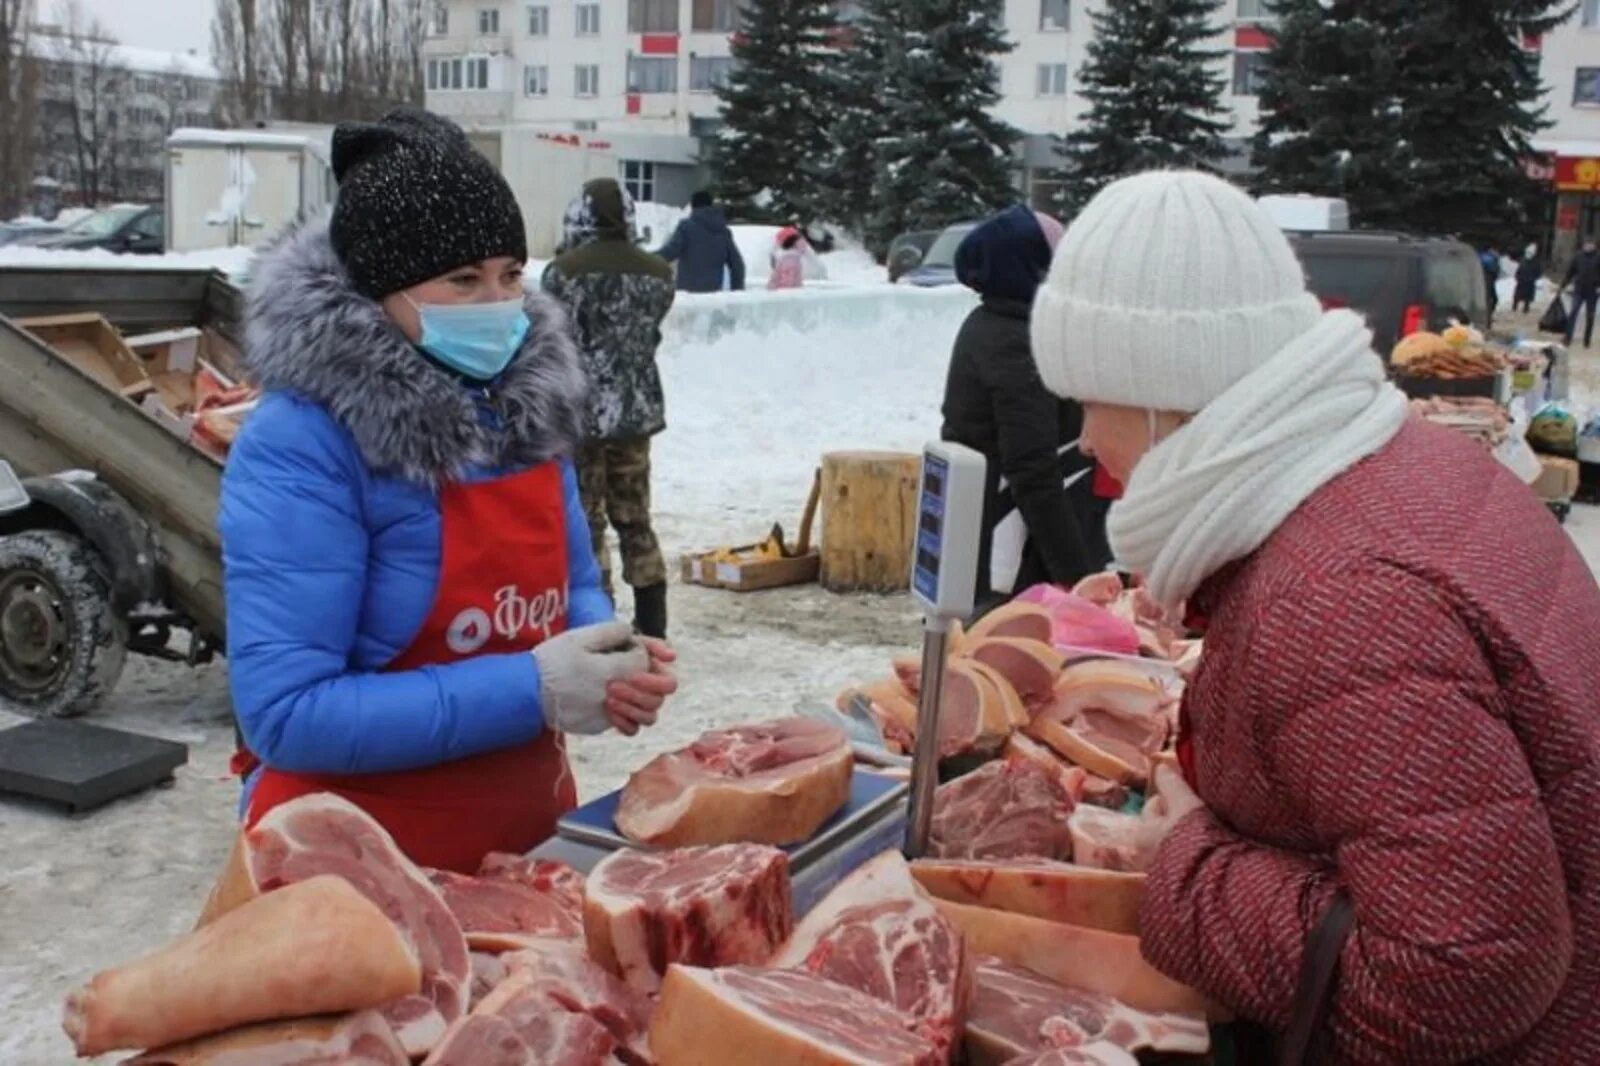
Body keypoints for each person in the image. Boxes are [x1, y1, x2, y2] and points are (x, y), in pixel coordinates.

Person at [1029, 170, 1598, 1061]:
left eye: (1087, 399)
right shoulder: (1390, 463)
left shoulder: (1337, 593)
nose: (1086, 439)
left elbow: (1459, 980)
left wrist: (1187, 860)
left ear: (1159, 392)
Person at [219, 109, 677, 874]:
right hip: (349, 861)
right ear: (380, 290)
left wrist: (606, 657)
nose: (499, 303)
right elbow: (287, 714)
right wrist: (534, 688)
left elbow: (578, 585)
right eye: (463, 279)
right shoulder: (303, 442)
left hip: (521, 841)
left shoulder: (528, 409)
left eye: (510, 275)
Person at [941, 204, 1110, 613]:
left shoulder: (1004, 323)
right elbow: (1031, 466)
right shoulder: (1013, 341)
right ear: (1030, 266)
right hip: (1011, 545)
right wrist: (1076, 574)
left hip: (1012, 537)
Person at [542, 178, 675, 638]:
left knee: (588, 523)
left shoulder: (563, 272)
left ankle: (599, 628)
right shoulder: (658, 272)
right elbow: (649, 335)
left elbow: (553, 340)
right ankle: (654, 623)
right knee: (636, 517)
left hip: (581, 418)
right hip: (636, 416)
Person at [658, 190, 745, 293]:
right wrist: (736, 290)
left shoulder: (686, 227)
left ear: (693, 206)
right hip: (712, 296)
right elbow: (737, 265)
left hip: (688, 294)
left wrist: (645, 259)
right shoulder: (723, 231)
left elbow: (670, 252)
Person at [1562, 237, 1600, 348]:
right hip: (1579, 289)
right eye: (1586, 244)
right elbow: (1570, 272)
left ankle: (1586, 339)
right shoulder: (1578, 256)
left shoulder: (1598, 257)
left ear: (1594, 246)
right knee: (1573, 312)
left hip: (1593, 291)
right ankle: (1567, 338)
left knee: (1590, 316)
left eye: (1590, 244)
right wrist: (1563, 285)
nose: (1588, 246)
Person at [767, 226, 807, 291]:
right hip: (790, 295)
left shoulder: (787, 259)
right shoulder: (793, 259)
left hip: (784, 295)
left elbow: (785, 282)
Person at [1514, 241, 1543, 314]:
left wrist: (1534, 278)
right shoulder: (1523, 260)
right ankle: (1515, 305)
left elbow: (1538, 272)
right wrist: (1517, 276)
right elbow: (1519, 269)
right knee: (1518, 294)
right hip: (1522, 279)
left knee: (1527, 295)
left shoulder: (1536, 262)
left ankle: (1526, 307)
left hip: (1530, 280)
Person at [1479, 244, 1500, 329]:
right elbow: (1495, 270)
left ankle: (1487, 320)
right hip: (1488, 282)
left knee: (1489, 301)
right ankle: (1487, 322)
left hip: (1482, 283)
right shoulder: (1490, 260)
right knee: (1491, 301)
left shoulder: (1481, 257)